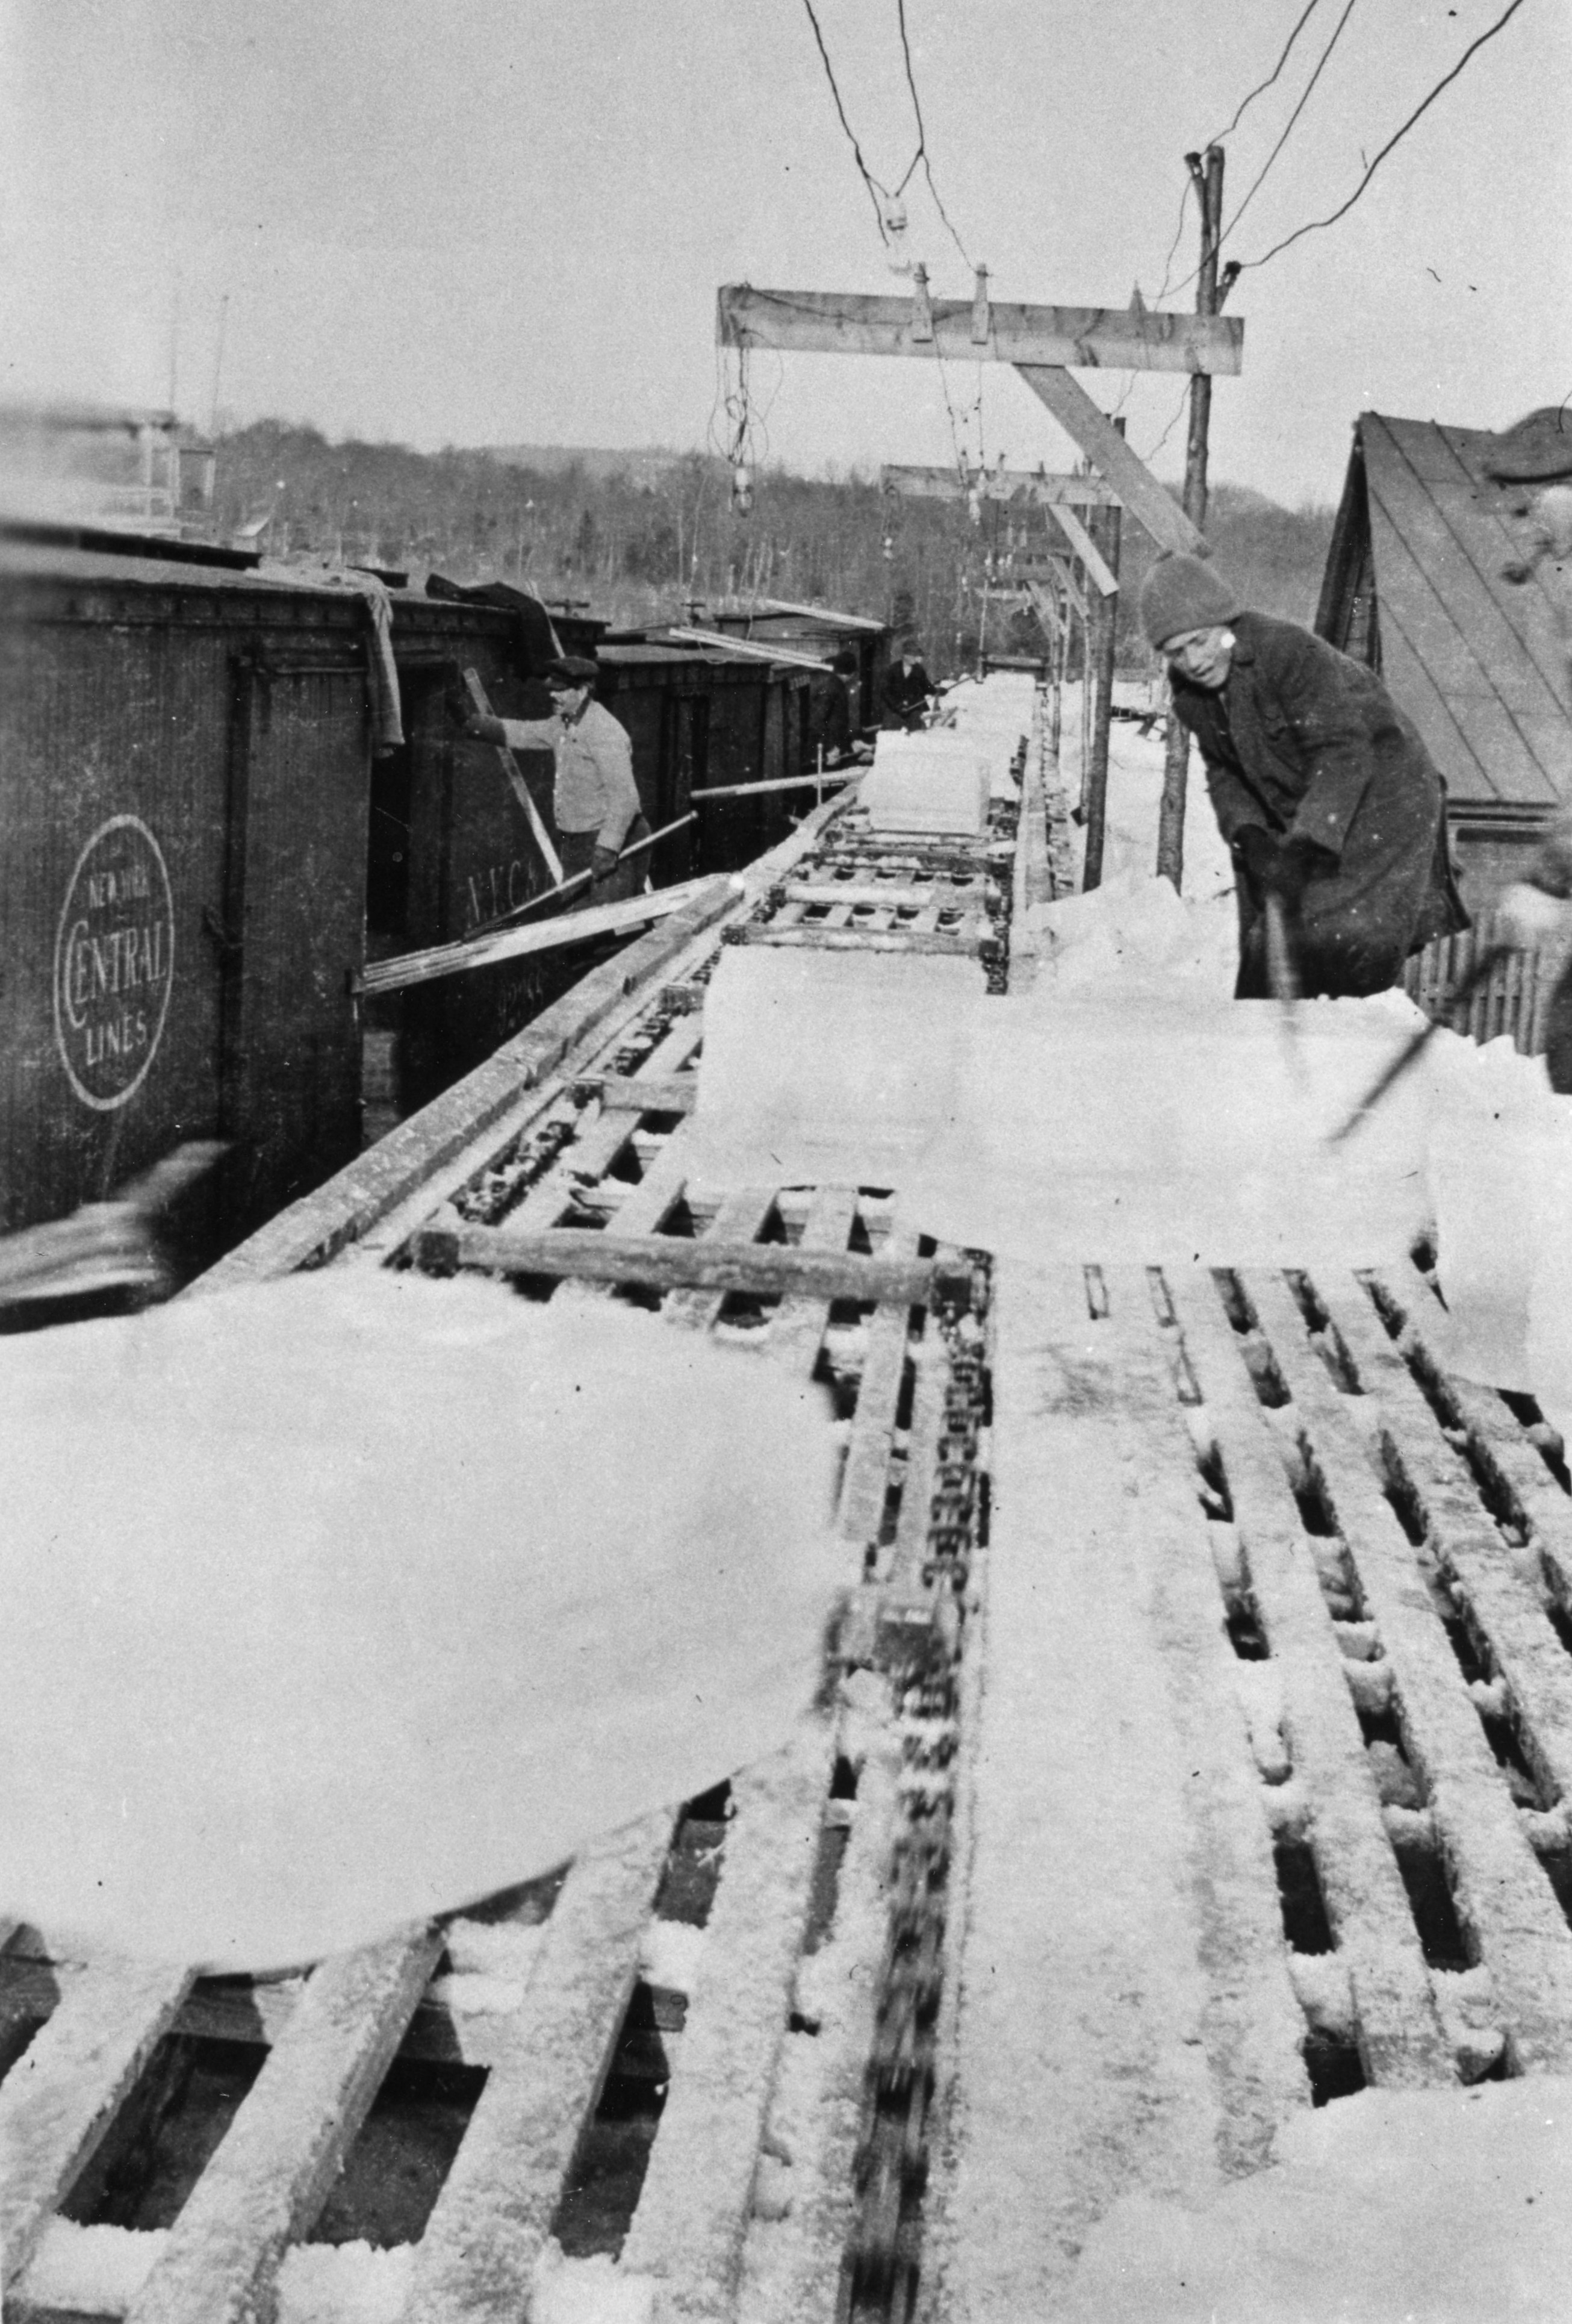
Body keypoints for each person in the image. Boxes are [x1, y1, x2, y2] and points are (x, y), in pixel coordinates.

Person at [1139, 552, 1468, 999]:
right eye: (1176, 652)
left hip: (1385, 803)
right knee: (1270, 936)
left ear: (1226, 626)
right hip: (1310, 800)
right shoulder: (1190, 694)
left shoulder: (1287, 652)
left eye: (1199, 641)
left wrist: (1305, 846)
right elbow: (1224, 769)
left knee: (1342, 938)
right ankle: (1262, 1036)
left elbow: (1342, 753)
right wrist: (1249, 832)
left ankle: (1342, 1045)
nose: (1193, 661)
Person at [465, 655, 648, 902]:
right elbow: (524, 733)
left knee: (609, 922)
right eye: (552, 689)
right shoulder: (562, 725)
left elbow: (626, 799)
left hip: (615, 838)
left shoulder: (604, 731)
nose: (553, 696)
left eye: (561, 691)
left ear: (583, 690)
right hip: (578, 841)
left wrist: (607, 849)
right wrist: (473, 724)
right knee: (574, 919)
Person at [880, 637, 939, 731]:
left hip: (914, 709)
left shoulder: (919, 670)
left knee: (917, 734)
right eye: (913, 656)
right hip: (895, 710)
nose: (916, 658)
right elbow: (885, 691)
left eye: (917, 656)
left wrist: (937, 691)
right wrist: (897, 705)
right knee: (892, 735)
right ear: (905, 656)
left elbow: (926, 686)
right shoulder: (892, 670)